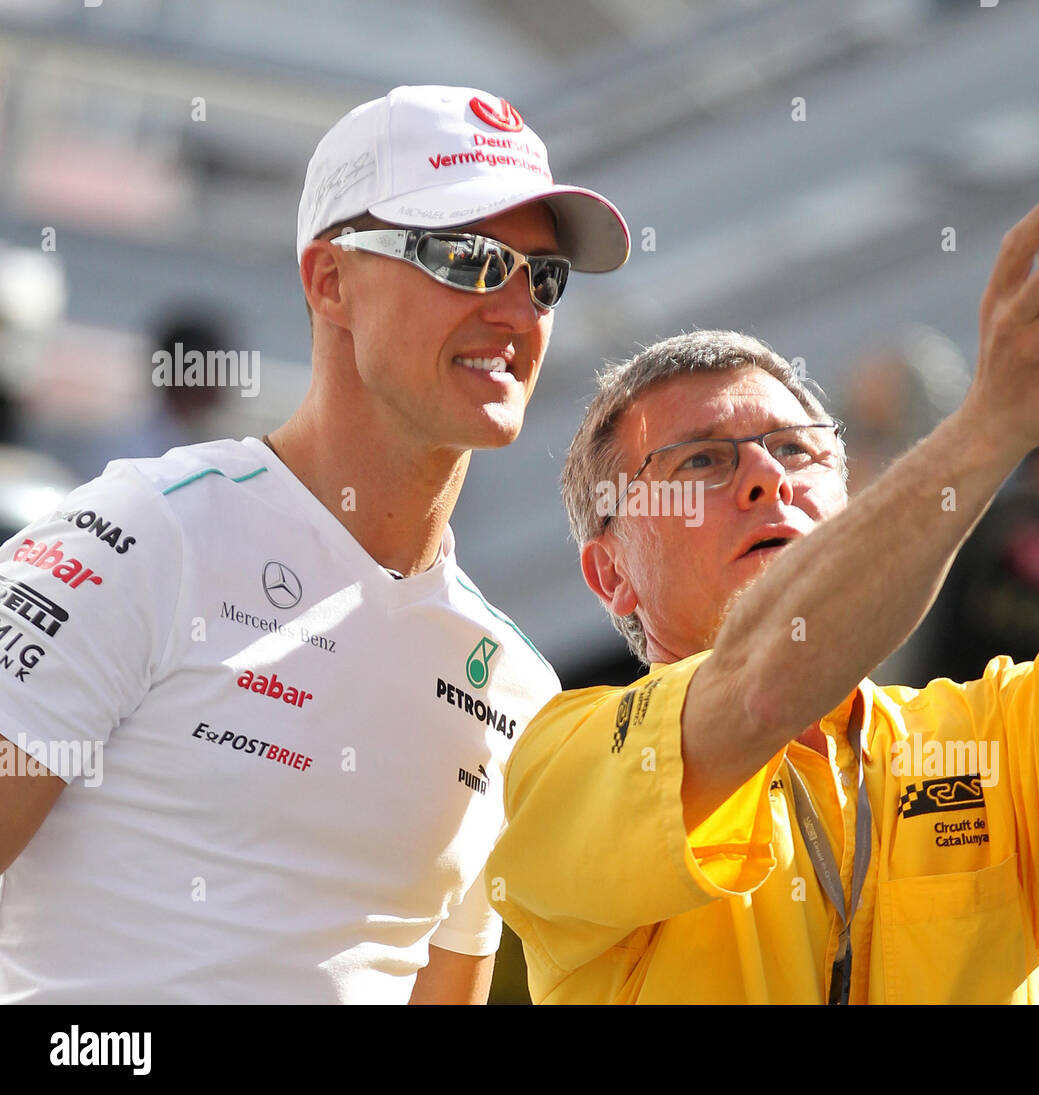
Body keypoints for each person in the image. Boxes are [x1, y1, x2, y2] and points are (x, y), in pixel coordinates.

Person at [486, 164, 1039, 1003]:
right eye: (701, 461)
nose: (764, 479)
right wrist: (993, 424)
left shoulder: (977, 736)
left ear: (850, 494)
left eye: (796, 449)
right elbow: (759, 687)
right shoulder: (560, 758)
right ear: (611, 576)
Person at [0, 85, 628, 1004]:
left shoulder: (512, 683)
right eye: (464, 257)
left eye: (541, 276)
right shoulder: (142, 534)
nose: (513, 309)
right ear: (329, 279)